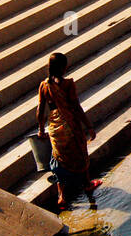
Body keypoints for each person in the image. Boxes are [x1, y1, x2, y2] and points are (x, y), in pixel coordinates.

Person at [37, 52, 100, 208]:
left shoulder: (44, 85)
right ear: (64, 68)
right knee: (81, 152)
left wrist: (40, 129)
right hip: (70, 125)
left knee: (58, 158)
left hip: (54, 127)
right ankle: (87, 184)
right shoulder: (68, 84)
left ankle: (61, 196)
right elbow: (76, 108)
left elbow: (40, 110)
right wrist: (89, 126)